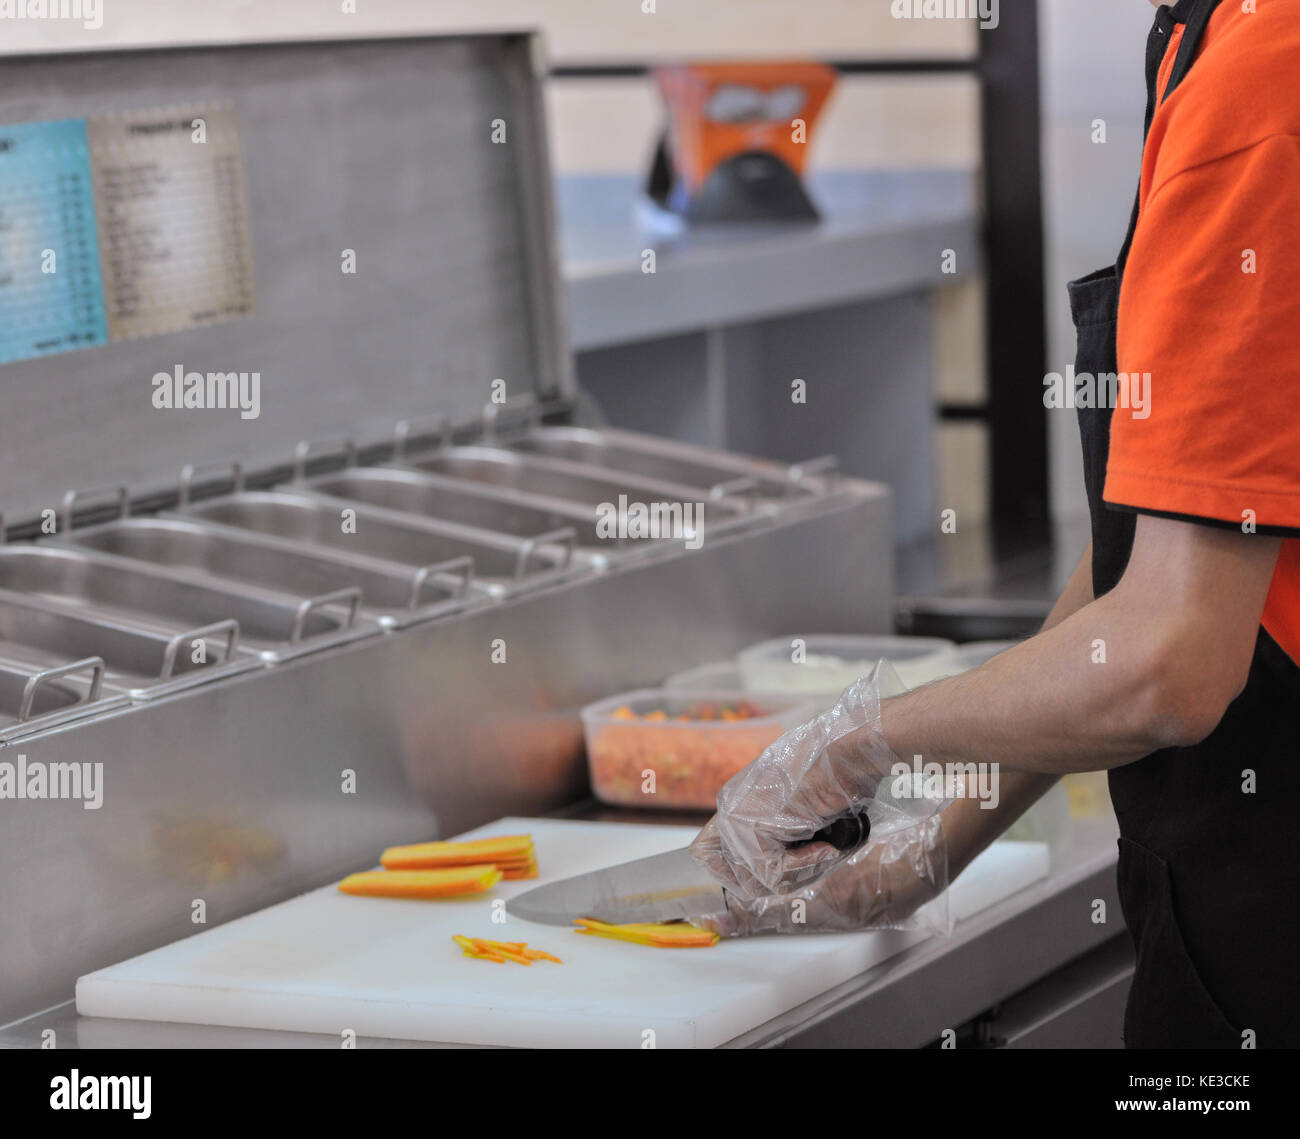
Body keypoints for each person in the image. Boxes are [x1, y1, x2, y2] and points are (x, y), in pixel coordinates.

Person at [691, 0, 1300, 1048]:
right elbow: (1147, 565)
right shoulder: (1215, 41)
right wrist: (930, 847)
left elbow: (1166, 660)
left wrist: (861, 738)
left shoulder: (1264, 77)